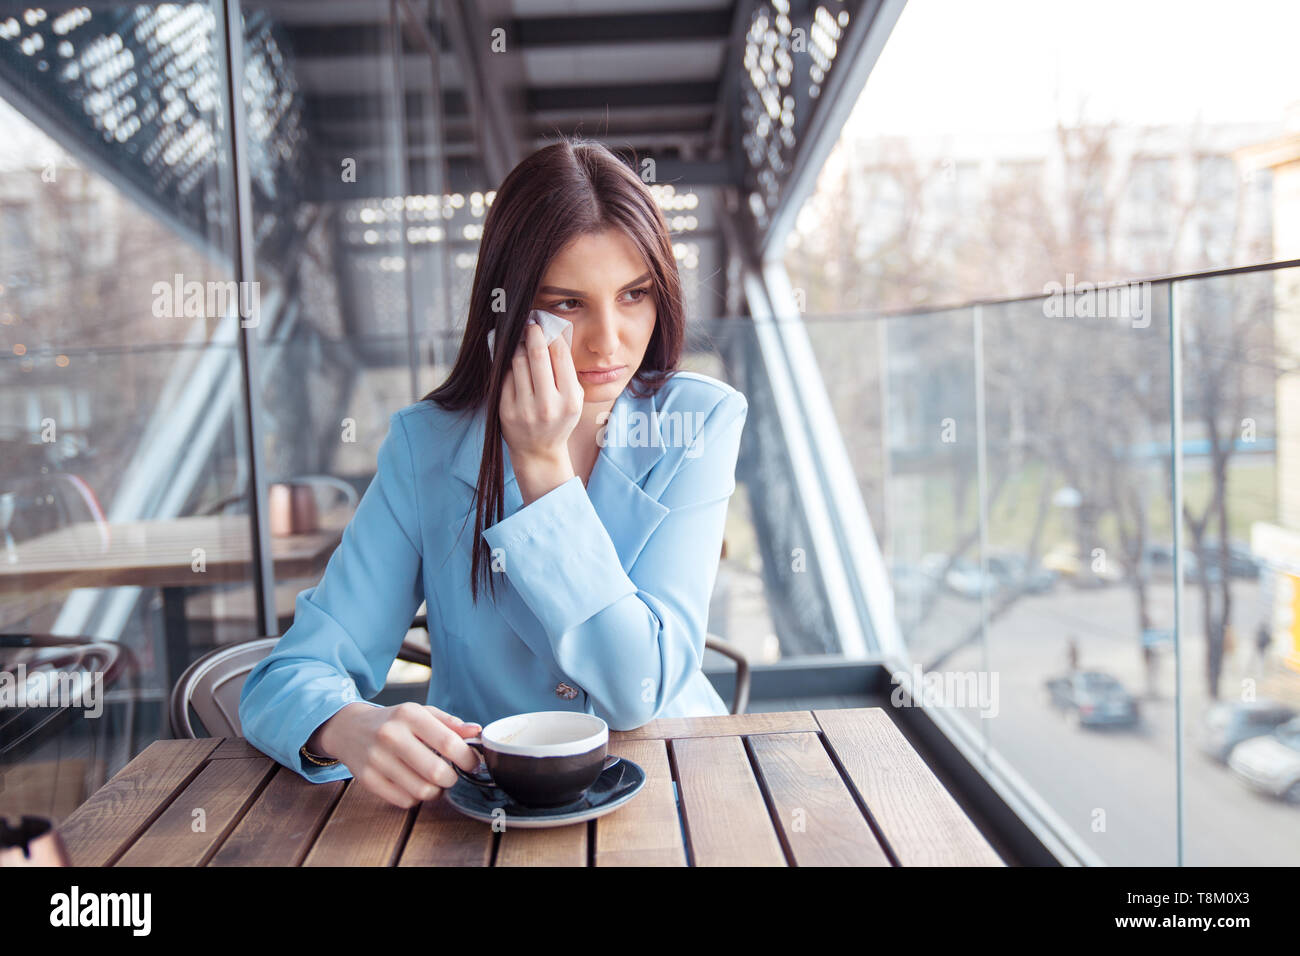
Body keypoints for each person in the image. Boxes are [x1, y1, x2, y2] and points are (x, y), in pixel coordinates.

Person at [238, 138, 749, 810]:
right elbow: (287, 677)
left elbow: (637, 692)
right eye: (568, 303)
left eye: (634, 295)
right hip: (485, 810)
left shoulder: (697, 421)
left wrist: (541, 466)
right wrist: (348, 724)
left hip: (677, 789)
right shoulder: (427, 446)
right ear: (506, 307)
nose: (608, 340)